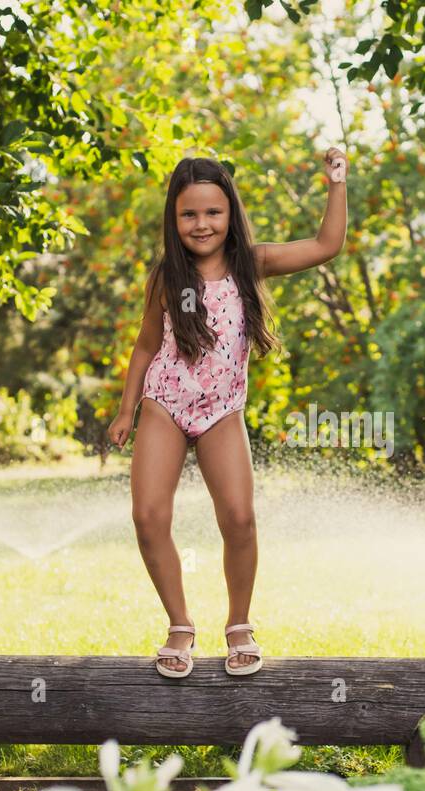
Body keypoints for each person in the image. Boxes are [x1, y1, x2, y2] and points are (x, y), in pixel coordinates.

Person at [107, 148, 348, 678]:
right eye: (189, 214)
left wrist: (336, 183)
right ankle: (180, 626)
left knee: (238, 518)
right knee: (148, 517)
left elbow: (327, 245)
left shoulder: (251, 264)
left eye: (213, 212)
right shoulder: (166, 277)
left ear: (230, 214)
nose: (202, 224)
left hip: (221, 410)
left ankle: (239, 625)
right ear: (174, 218)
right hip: (165, 403)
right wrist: (128, 409)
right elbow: (147, 345)